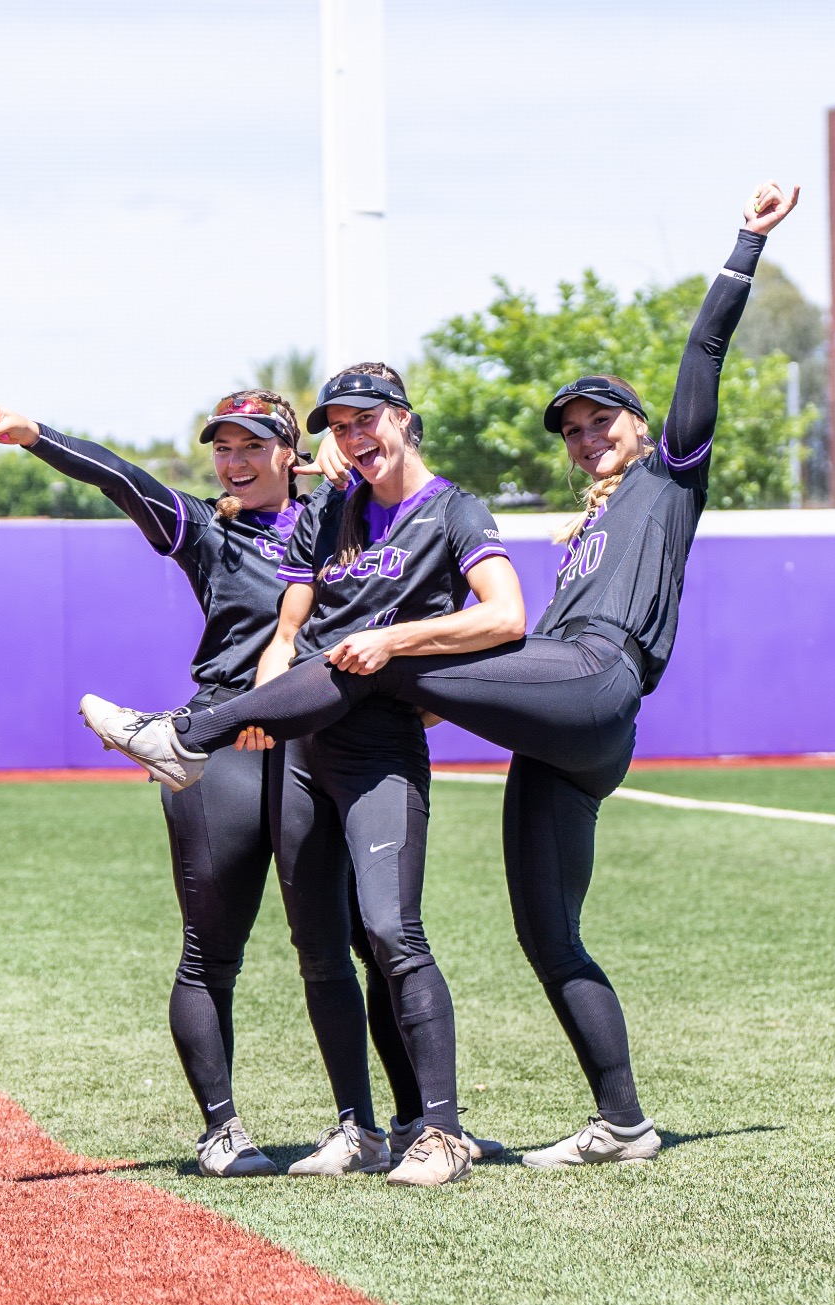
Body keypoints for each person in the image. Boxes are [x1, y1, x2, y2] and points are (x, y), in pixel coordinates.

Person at [84, 182, 800, 1169]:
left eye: (603, 420)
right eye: (572, 429)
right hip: (560, 731)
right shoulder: (579, 522)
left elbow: (705, 352)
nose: (588, 436)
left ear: (643, 426)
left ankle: (186, 734)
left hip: (598, 678)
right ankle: (623, 1121)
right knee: (547, 934)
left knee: (380, 654)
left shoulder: (669, 476)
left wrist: (745, 244)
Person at [0, 386, 442, 1180]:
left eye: (253, 444)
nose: (235, 460)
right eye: (223, 447)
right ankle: (222, 1131)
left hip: (313, 747)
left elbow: (406, 488)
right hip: (223, 752)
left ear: (290, 451)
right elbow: (123, 480)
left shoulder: (337, 516)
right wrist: (35, 435)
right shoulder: (208, 530)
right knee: (211, 955)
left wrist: (344, 466)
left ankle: (386, 1124)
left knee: (350, 942)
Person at [83, 363, 526, 1186]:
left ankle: (430, 1127)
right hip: (272, 748)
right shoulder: (282, 519)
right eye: (340, 426)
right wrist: (270, 705)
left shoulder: (406, 508)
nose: (234, 460)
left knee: (381, 935)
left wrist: (400, 649)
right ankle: (301, 1129)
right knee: (276, 950)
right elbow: (284, 631)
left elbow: (495, 612)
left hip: (349, 739)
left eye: (366, 420)